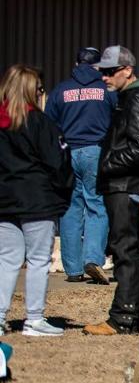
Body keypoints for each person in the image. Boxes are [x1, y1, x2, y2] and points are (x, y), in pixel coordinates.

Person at [85, 47, 139, 336]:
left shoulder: (137, 97)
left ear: (127, 71)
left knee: (125, 252)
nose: (104, 77)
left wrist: (106, 164)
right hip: (128, 184)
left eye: (110, 71)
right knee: (138, 252)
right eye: (102, 71)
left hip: (123, 184)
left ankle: (123, 317)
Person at [0, 65, 73, 336]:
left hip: (4, 201)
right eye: (41, 89)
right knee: (39, 259)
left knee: (6, 260)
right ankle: (34, 319)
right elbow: (59, 162)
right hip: (37, 200)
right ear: (33, 91)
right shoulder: (41, 123)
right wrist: (63, 194)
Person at [45, 47, 112, 284]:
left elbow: (49, 125)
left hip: (68, 152)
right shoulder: (106, 89)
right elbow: (118, 119)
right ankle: (93, 258)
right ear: (98, 67)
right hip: (96, 151)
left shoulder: (61, 90)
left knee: (71, 208)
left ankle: (72, 268)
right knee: (97, 205)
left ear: (76, 65)